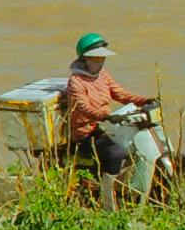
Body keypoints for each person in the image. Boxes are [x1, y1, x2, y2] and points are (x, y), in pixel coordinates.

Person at [54, 33, 161, 196]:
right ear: (85, 59)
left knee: (136, 142)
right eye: (96, 58)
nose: (101, 62)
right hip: (86, 133)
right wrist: (106, 116)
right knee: (116, 153)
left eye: (102, 58)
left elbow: (121, 94)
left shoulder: (103, 75)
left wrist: (145, 100)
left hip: (105, 126)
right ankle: (108, 200)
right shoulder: (76, 81)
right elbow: (83, 107)